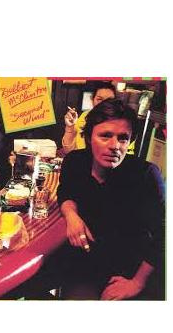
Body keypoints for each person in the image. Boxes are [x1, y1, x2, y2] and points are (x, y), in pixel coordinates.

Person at [56, 99, 166, 300]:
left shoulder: (146, 175)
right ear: (89, 137)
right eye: (105, 136)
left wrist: (137, 283)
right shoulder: (75, 161)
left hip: (128, 271)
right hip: (85, 264)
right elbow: (66, 192)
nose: (115, 146)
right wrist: (71, 215)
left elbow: (164, 234)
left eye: (123, 138)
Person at [61, 81, 117, 154]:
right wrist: (70, 127)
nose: (104, 103)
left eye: (109, 100)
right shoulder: (85, 116)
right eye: (99, 99)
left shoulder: (120, 122)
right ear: (92, 100)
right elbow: (69, 151)